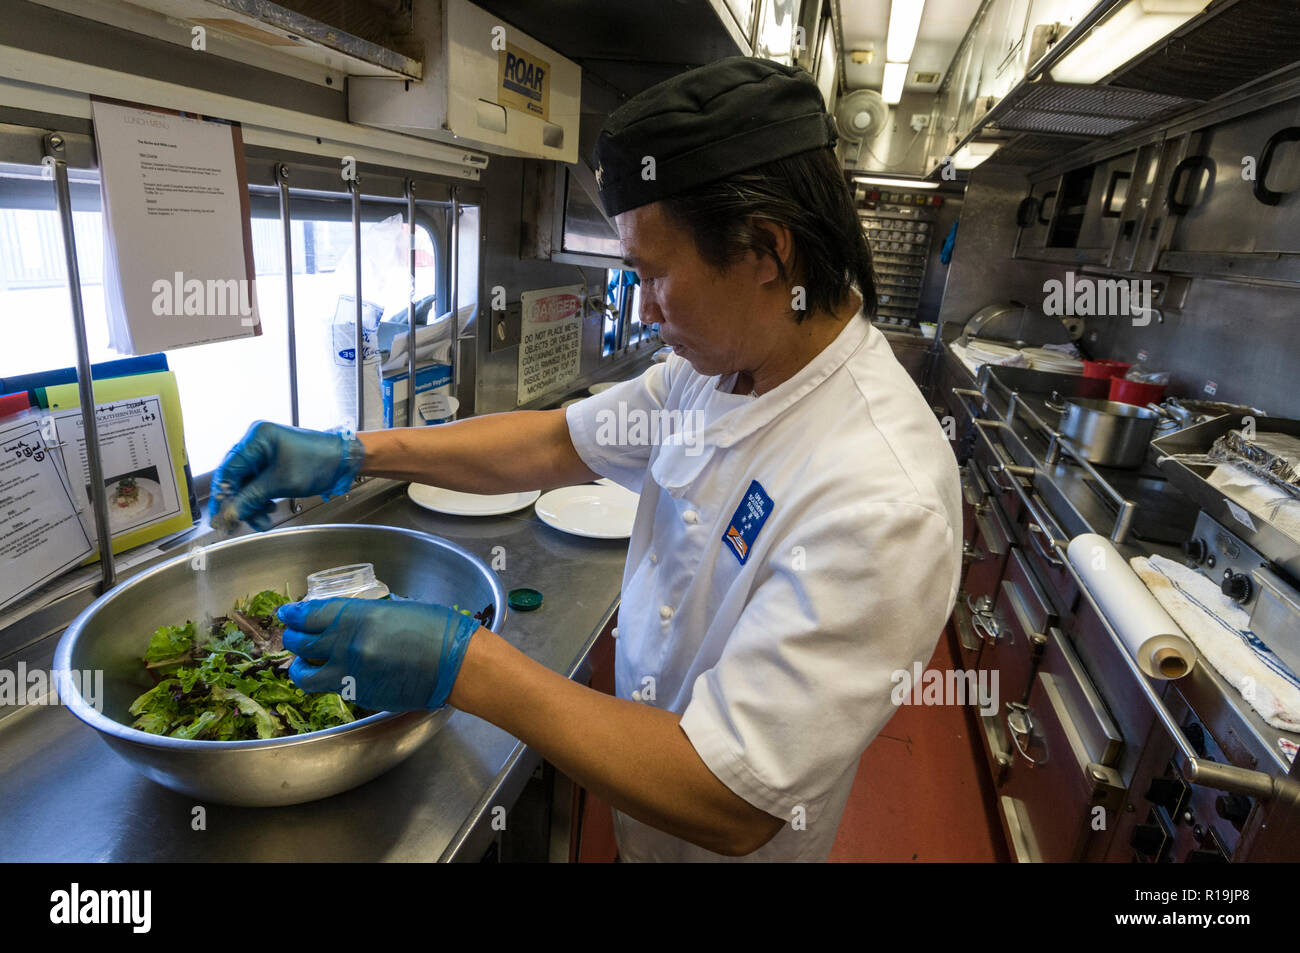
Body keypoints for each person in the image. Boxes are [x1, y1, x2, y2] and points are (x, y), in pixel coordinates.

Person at [210, 56, 962, 862]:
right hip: (639, 811)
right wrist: (356, 452)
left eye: (654, 273)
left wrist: (464, 663)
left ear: (767, 251)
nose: (641, 305)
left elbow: (732, 797)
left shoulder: (885, 496)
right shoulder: (715, 369)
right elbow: (554, 440)